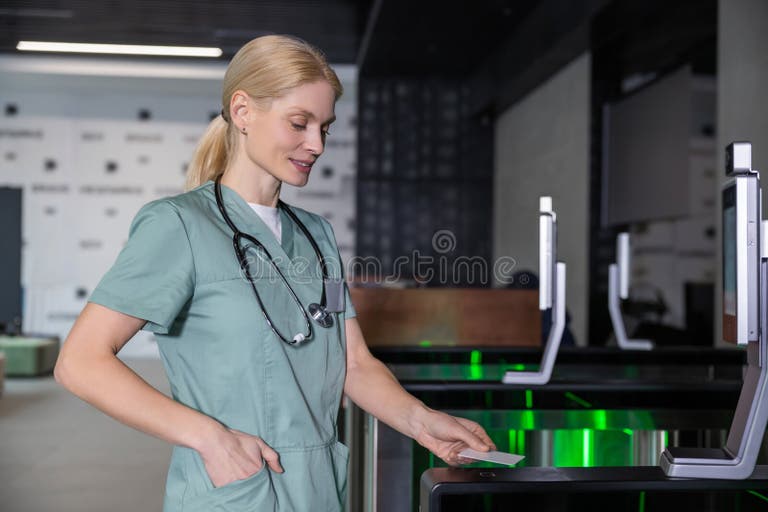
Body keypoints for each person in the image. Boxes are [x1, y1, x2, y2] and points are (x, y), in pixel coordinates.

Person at [54, 35, 495, 512]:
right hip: (237, 487)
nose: (316, 144)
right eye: (299, 123)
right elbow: (80, 362)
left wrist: (422, 420)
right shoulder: (178, 225)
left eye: (325, 127)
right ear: (242, 111)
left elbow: (354, 363)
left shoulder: (316, 236)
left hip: (318, 488)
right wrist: (209, 437)